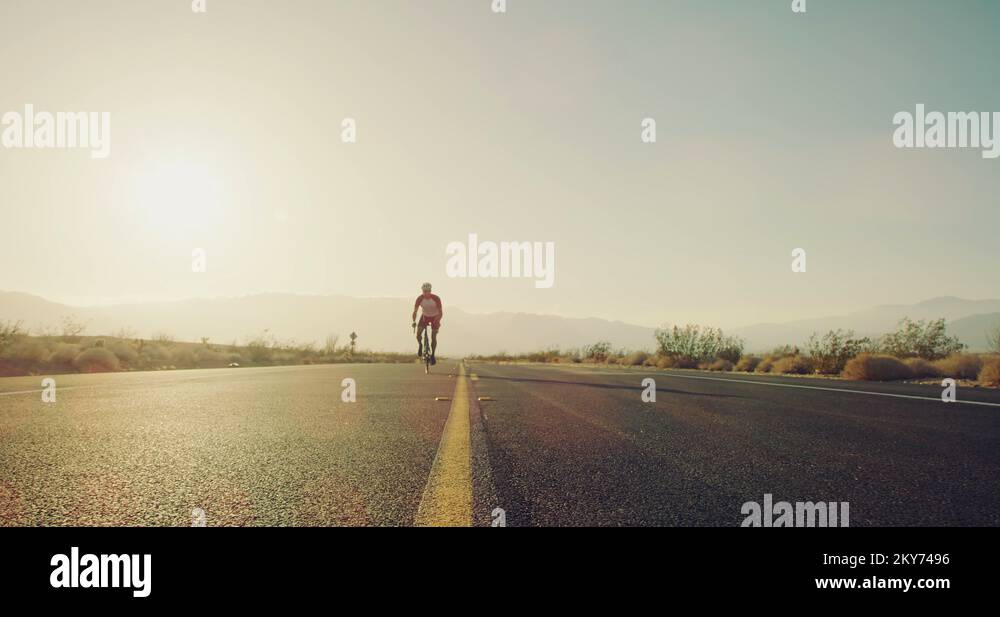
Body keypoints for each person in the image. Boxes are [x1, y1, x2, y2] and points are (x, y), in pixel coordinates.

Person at [411, 282, 442, 365]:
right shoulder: (419, 299)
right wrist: (414, 321)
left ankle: (433, 356)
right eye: (424, 291)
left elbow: (441, 312)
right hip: (425, 317)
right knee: (418, 334)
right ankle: (421, 345)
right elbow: (415, 311)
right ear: (422, 291)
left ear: (430, 291)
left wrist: (437, 320)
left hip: (435, 317)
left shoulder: (436, 298)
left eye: (427, 291)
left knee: (433, 336)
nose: (426, 293)